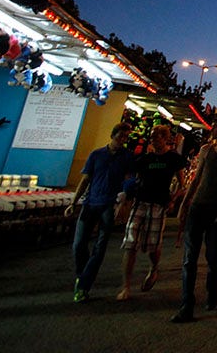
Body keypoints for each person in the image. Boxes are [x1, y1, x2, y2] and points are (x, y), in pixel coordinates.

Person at [171, 114, 217, 323]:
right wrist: (184, 204)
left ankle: (212, 296)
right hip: (198, 206)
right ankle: (187, 304)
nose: (213, 129)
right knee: (189, 257)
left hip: (216, 209)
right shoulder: (206, 150)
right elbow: (196, 179)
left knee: (213, 255)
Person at [65, 123, 133, 303]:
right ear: (113, 135)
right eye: (121, 136)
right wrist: (73, 201)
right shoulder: (96, 155)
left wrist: (123, 202)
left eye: (126, 137)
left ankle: (83, 286)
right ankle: (82, 274)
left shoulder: (127, 157)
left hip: (109, 206)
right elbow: (86, 179)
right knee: (79, 244)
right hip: (90, 203)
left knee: (99, 248)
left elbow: (128, 180)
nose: (123, 140)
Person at [117, 123, 185, 301]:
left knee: (152, 245)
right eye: (152, 136)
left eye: (157, 136)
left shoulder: (173, 159)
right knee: (130, 243)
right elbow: (132, 180)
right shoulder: (144, 159)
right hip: (140, 202)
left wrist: (173, 199)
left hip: (158, 204)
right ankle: (126, 286)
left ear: (165, 138)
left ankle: (154, 269)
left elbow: (182, 184)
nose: (154, 139)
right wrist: (125, 202)